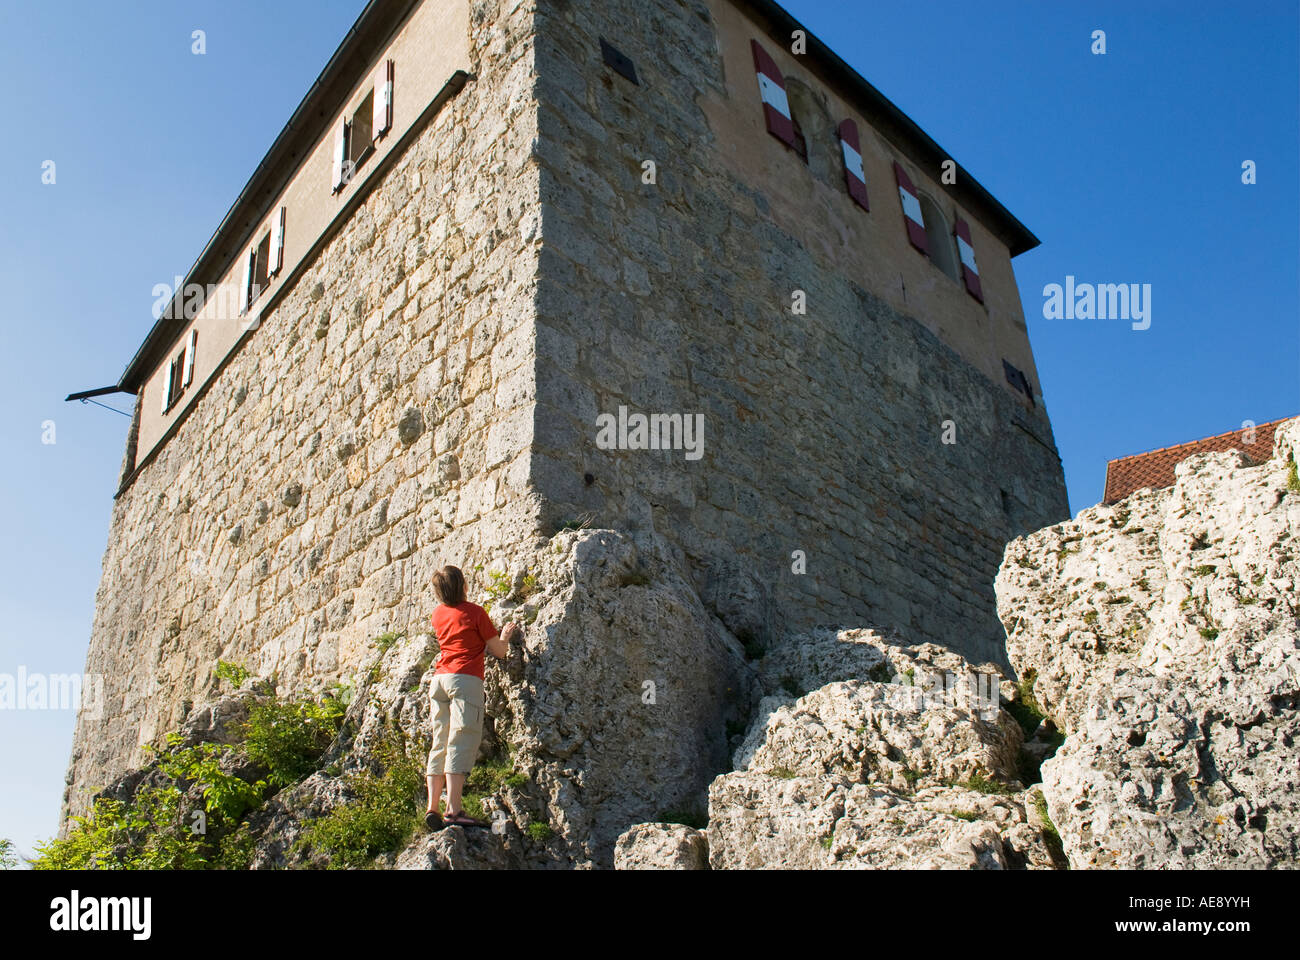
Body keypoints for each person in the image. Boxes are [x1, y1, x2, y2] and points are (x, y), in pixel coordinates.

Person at [424, 564, 521, 830]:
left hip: (439, 680)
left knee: (440, 742)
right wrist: (506, 636)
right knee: (462, 739)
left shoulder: (438, 615)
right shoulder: (475, 613)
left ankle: (432, 806)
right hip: (465, 679)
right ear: (463, 585)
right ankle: (454, 811)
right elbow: (498, 651)